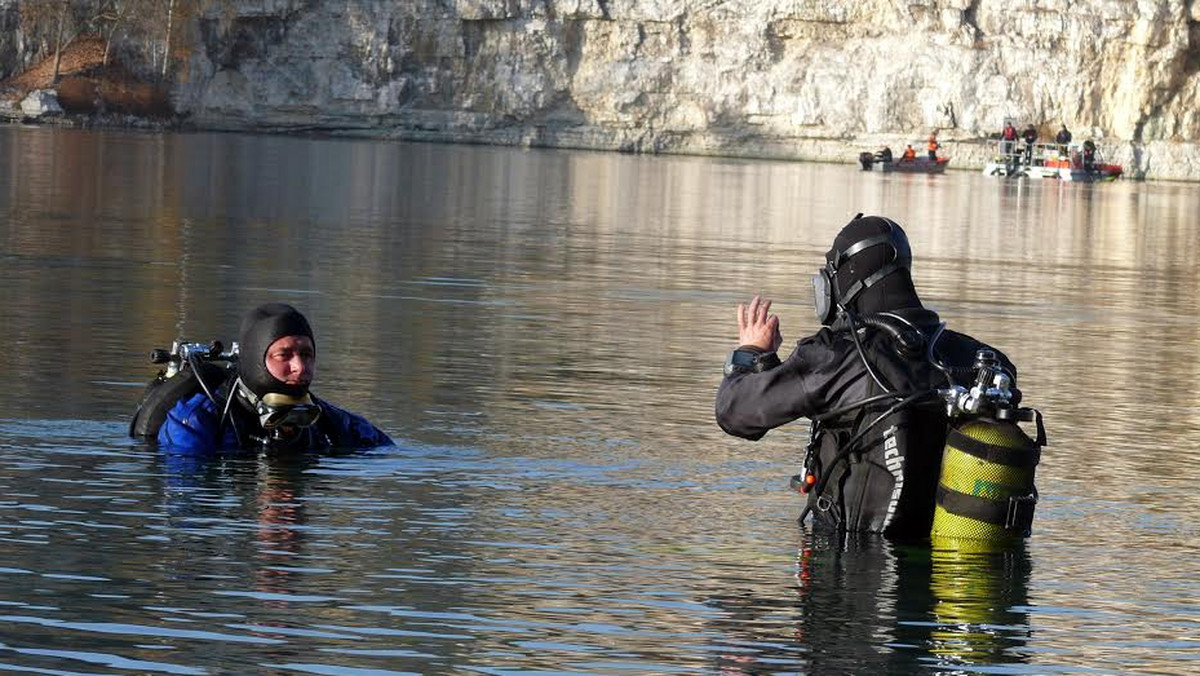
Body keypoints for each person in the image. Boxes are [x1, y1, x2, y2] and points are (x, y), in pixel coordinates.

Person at [714, 215, 1024, 539]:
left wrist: (751, 353)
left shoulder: (838, 356)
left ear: (843, 279)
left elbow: (736, 413)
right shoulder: (982, 362)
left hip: (851, 557)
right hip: (955, 553)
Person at [131, 302, 393, 454]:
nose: (300, 367)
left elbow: (389, 452)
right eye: (284, 355)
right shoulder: (196, 420)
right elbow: (185, 489)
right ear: (255, 359)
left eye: (307, 354)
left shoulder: (328, 421)